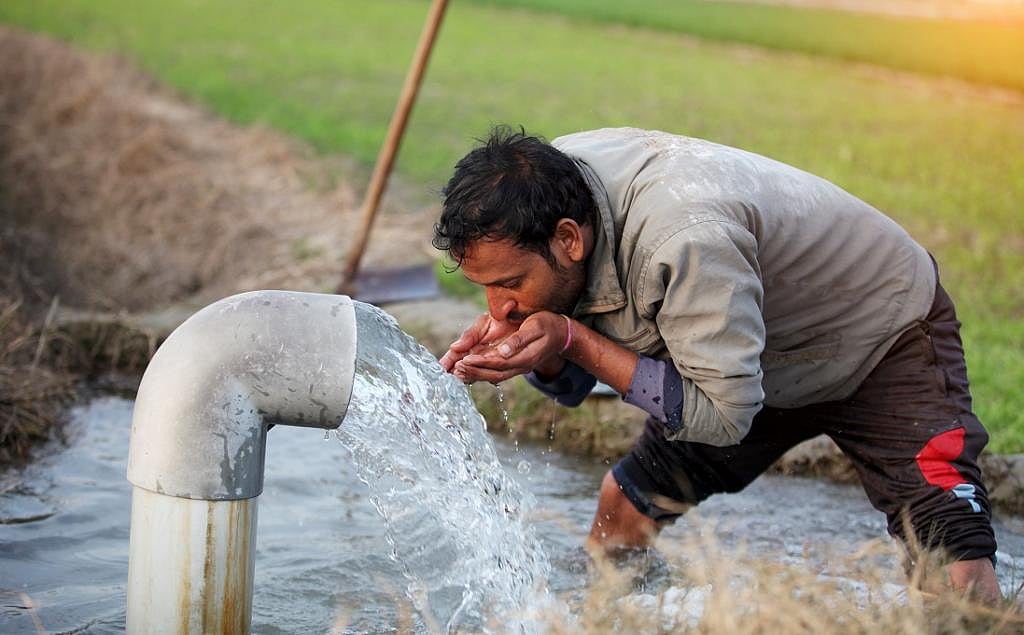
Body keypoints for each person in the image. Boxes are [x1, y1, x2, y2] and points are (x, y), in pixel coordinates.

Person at [432, 125, 1000, 603]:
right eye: (486, 288)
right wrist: (544, 344)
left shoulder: (683, 238)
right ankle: (607, 617)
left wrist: (573, 340)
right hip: (745, 356)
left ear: (568, 240)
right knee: (624, 508)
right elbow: (579, 380)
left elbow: (726, 419)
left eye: (509, 285)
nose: (498, 308)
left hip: (878, 333)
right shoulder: (548, 198)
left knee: (952, 560)